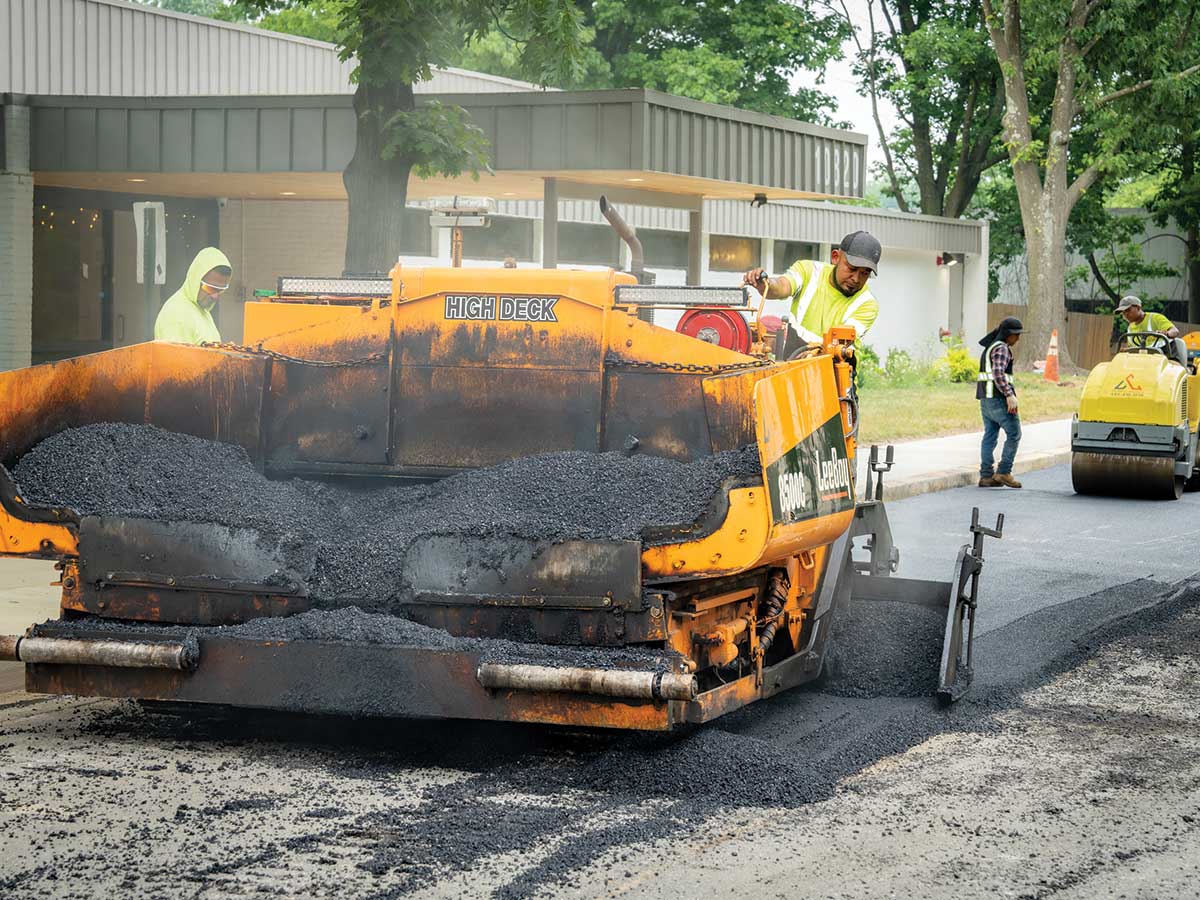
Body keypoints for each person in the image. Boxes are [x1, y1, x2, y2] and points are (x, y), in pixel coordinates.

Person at [742, 231, 882, 344]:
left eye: (865, 273)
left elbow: (839, 343)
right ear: (835, 257)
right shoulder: (808, 271)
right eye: (852, 268)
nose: (856, 279)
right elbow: (782, 286)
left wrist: (812, 354)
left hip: (833, 368)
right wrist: (766, 283)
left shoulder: (867, 304)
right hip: (792, 361)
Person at [977, 316, 1024, 489]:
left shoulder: (991, 346)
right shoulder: (1002, 348)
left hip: (986, 400)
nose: (1018, 338)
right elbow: (998, 373)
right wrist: (1009, 394)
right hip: (999, 400)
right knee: (1014, 433)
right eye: (1016, 335)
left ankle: (986, 476)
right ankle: (1004, 471)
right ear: (1008, 334)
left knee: (990, 435)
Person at [154, 247, 232, 344]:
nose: (215, 296)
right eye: (210, 288)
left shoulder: (201, 311)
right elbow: (176, 354)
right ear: (195, 279)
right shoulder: (176, 314)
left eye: (220, 290)